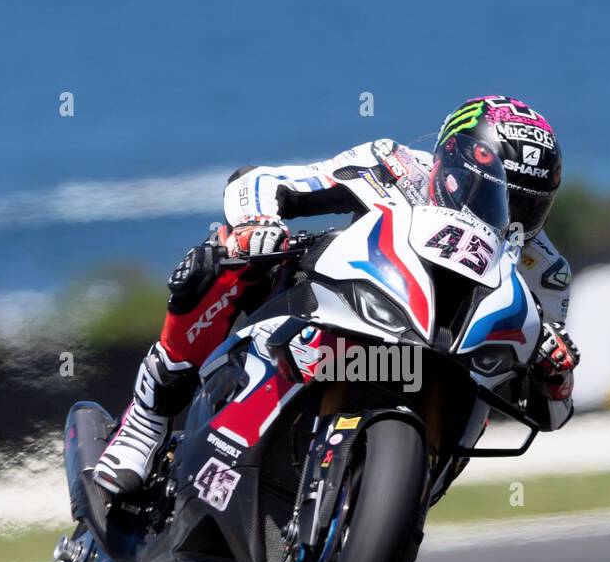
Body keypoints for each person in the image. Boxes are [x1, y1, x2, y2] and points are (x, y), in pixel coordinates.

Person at [93, 95, 580, 495]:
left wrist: (556, 378)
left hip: (441, 372)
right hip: (338, 310)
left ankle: (394, 521)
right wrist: (261, 225)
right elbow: (257, 182)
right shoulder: (395, 166)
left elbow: (552, 412)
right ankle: (145, 420)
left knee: (480, 404)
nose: (508, 214)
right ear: (450, 161)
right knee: (221, 258)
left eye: (527, 206)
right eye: (497, 191)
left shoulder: (545, 271)